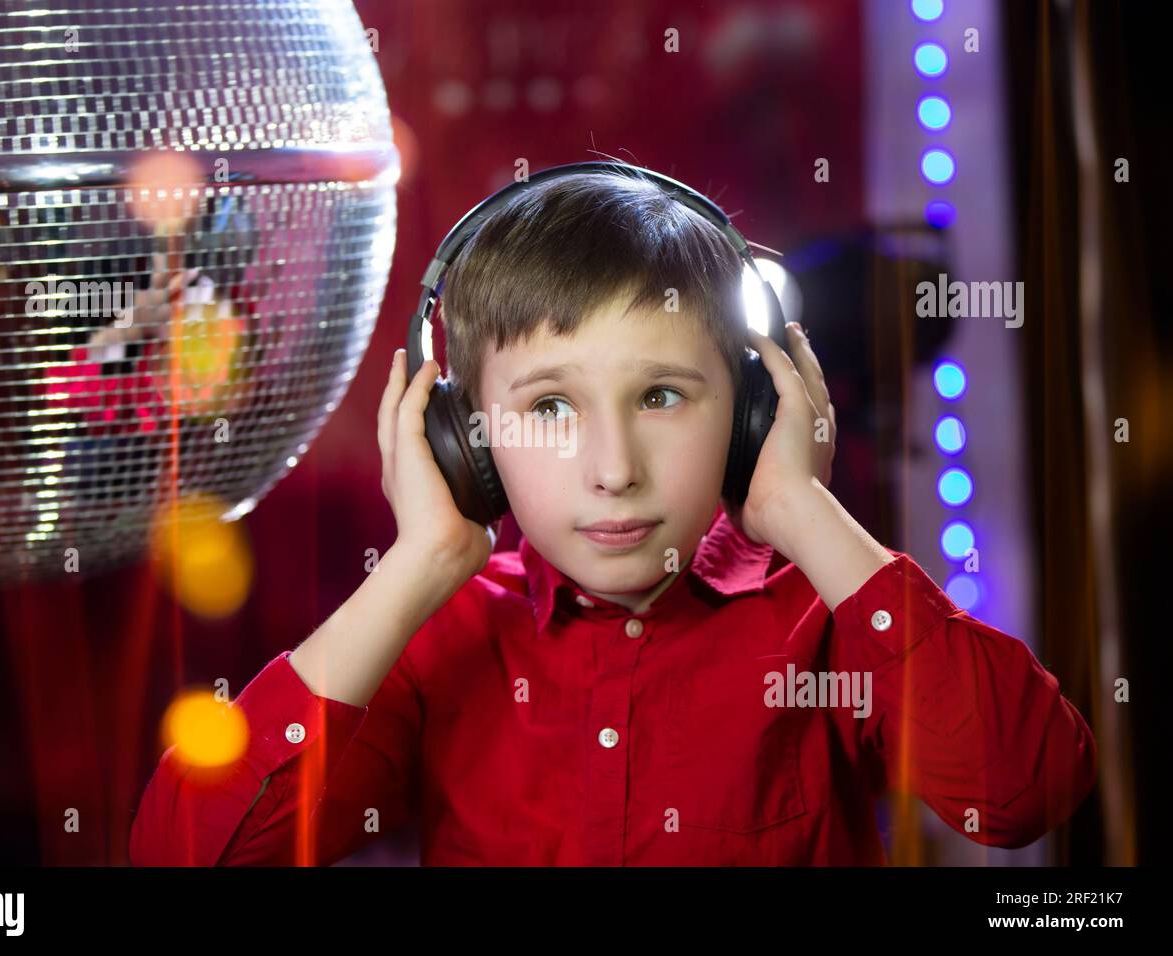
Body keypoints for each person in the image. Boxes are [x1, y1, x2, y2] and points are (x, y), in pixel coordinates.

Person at [129, 170, 1096, 866]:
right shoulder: (439, 640)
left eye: (663, 397)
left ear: (756, 410)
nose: (613, 470)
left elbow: (1023, 790)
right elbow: (188, 850)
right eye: (548, 409)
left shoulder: (825, 621)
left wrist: (805, 508)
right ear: (465, 436)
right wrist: (419, 564)